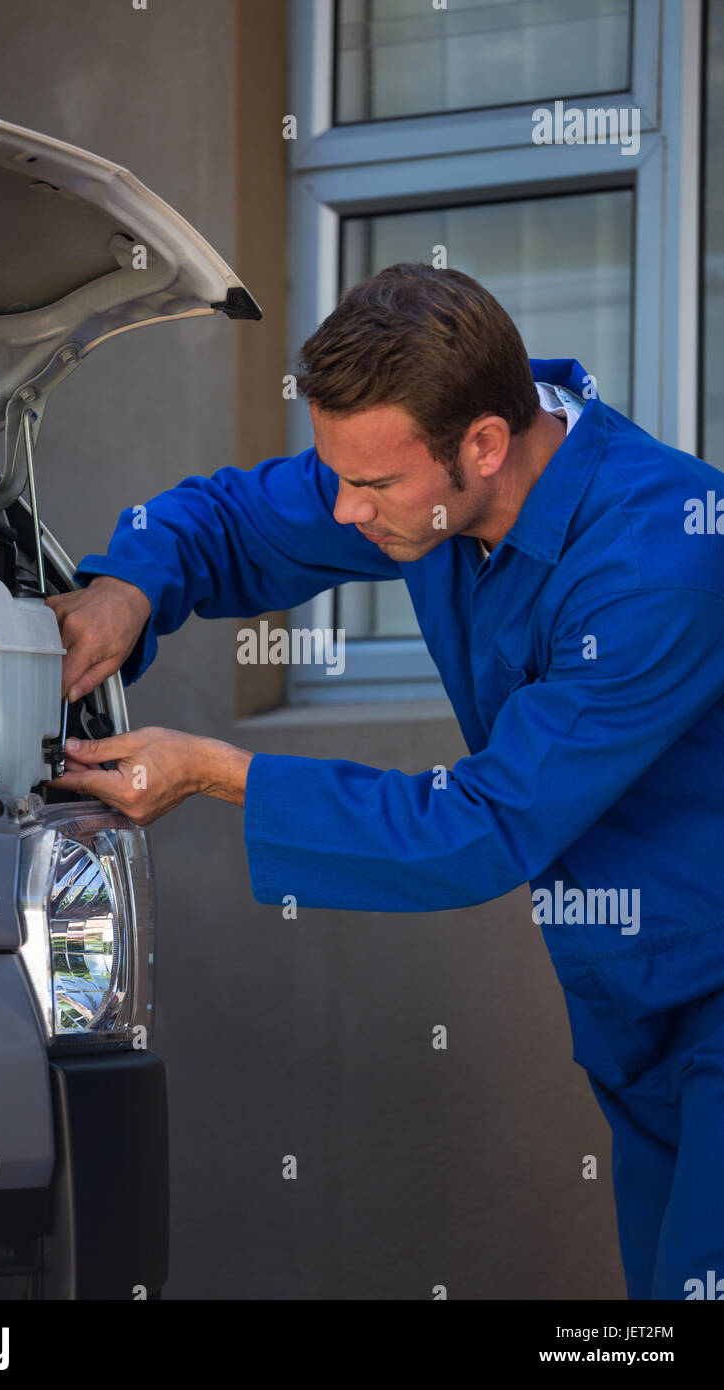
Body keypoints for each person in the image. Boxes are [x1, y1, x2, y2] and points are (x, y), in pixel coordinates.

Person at [46, 263, 724, 1301]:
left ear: (484, 444)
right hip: (636, 1012)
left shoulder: (658, 561)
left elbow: (480, 825)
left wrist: (220, 774)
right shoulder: (423, 478)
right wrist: (127, 588)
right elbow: (232, 518)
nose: (344, 510)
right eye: (337, 475)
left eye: (370, 487)